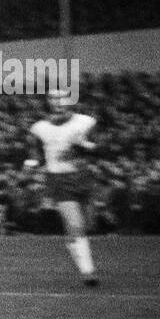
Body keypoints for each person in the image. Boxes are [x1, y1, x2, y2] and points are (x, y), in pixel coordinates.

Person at [27, 89, 100, 286]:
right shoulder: (38, 128)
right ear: (48, 101)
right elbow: (34, 155)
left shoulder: (86, 122)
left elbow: (101, 147)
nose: (57, 102)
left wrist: (83, 147)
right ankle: (88, 273)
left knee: (86, 227)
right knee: (76, 225)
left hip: (83, 178)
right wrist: (31, 165)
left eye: (61, 98)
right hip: (58, 180)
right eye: (53, 98)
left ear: (70, 100)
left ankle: (75, 248)